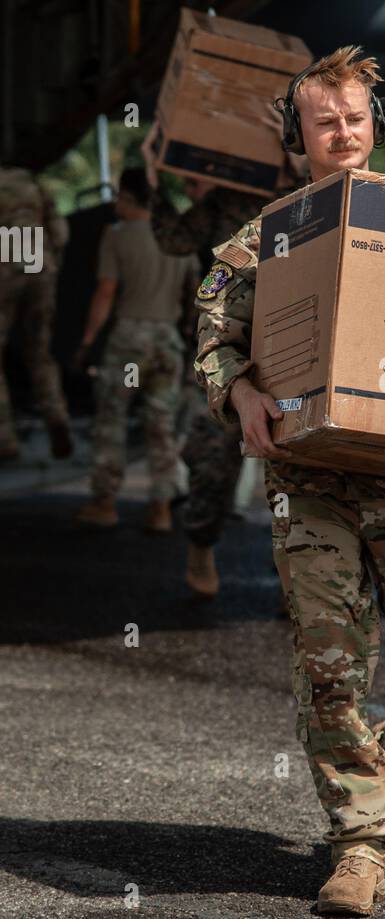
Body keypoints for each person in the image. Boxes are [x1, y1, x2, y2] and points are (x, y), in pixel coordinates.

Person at [193, 46, 385, 917]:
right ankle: (359, 844)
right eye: (325, 121)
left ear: (376, 126)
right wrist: (238, 391)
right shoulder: (260, 243)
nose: (344, 132)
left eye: (355, 118)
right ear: (300, 136)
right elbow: (212, 345)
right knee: (330, 663)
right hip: (311, 480)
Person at [140, 120, 308, 597]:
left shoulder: (313, 196)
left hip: (299, 350)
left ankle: (301, 585)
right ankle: (200, 544)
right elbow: (172, 238)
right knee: (213, 459)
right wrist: (157, 181)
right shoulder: (224, 203)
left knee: (301, 470)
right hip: (230, 348)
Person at [76, 167, 199, 531]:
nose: (115, 204)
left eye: (118, 196)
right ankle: (160, 508)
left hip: (130, 339)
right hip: (168, 341)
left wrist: (86, 340)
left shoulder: (117, 236)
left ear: (130, 198)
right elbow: (194, 293)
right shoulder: (177, 238)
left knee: (111, 419)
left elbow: (105, 292)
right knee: (160, 425)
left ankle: (104, 503)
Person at [0, 165, 72, 462]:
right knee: (40, 353)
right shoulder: (30, 181)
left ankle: (5, 440)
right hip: (40, 263)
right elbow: (60, 231)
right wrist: (51, 259)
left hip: (5, 264)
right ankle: (56, 415)